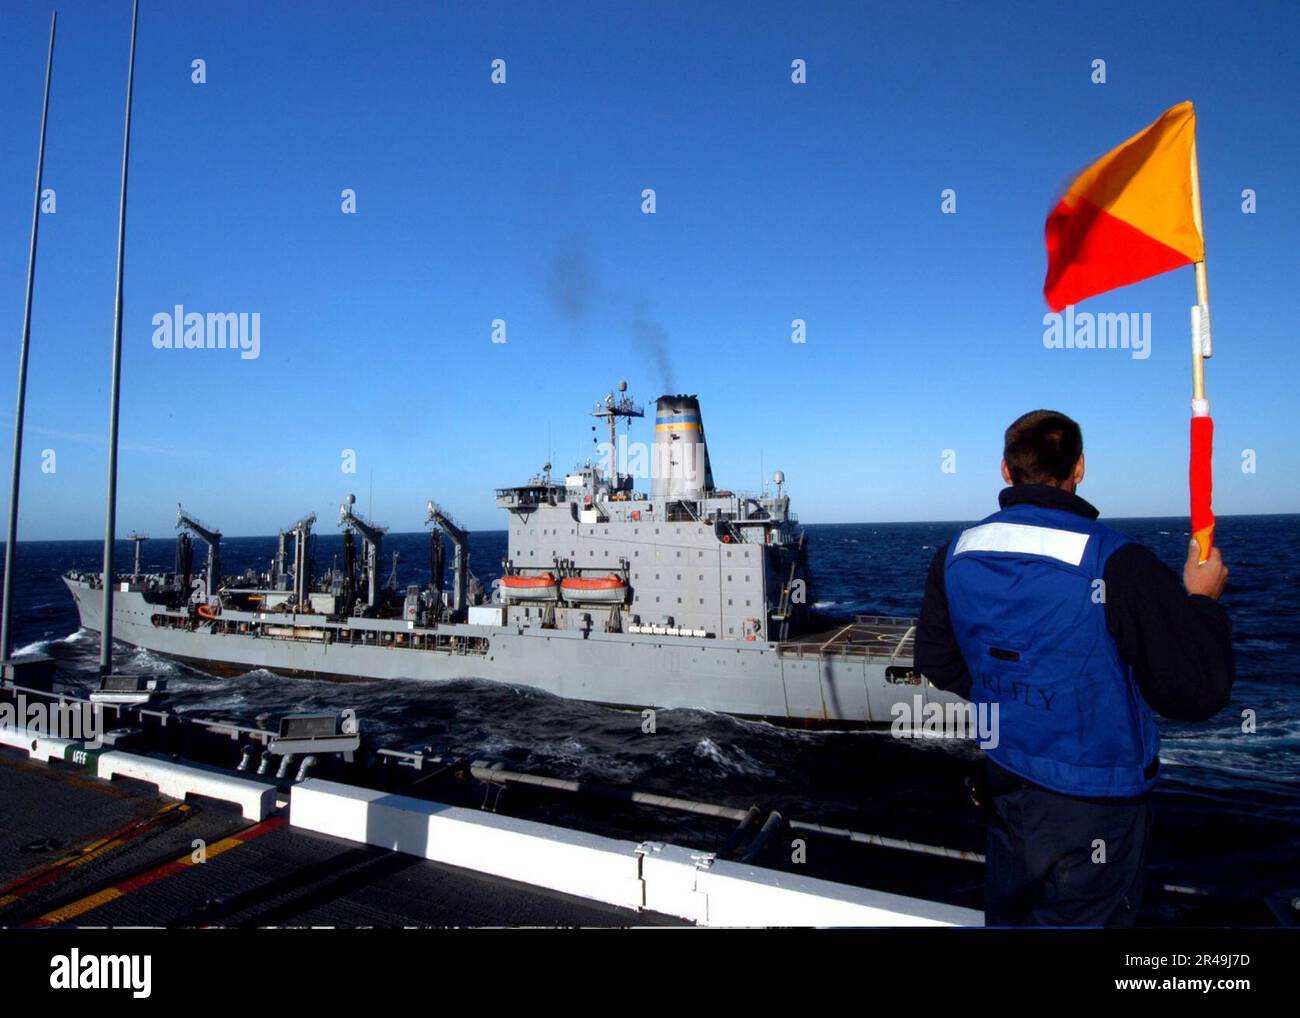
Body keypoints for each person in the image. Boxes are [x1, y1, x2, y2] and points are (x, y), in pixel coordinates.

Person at [916, 409, 1234, 926]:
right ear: (1079, 467)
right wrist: (1202, 601)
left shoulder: (954, 554)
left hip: (1007, 789)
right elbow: (1196, 693)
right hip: (1098, 805)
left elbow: (936, 659)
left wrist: (1013, 696)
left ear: (1005, 470)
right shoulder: (1118, 561)